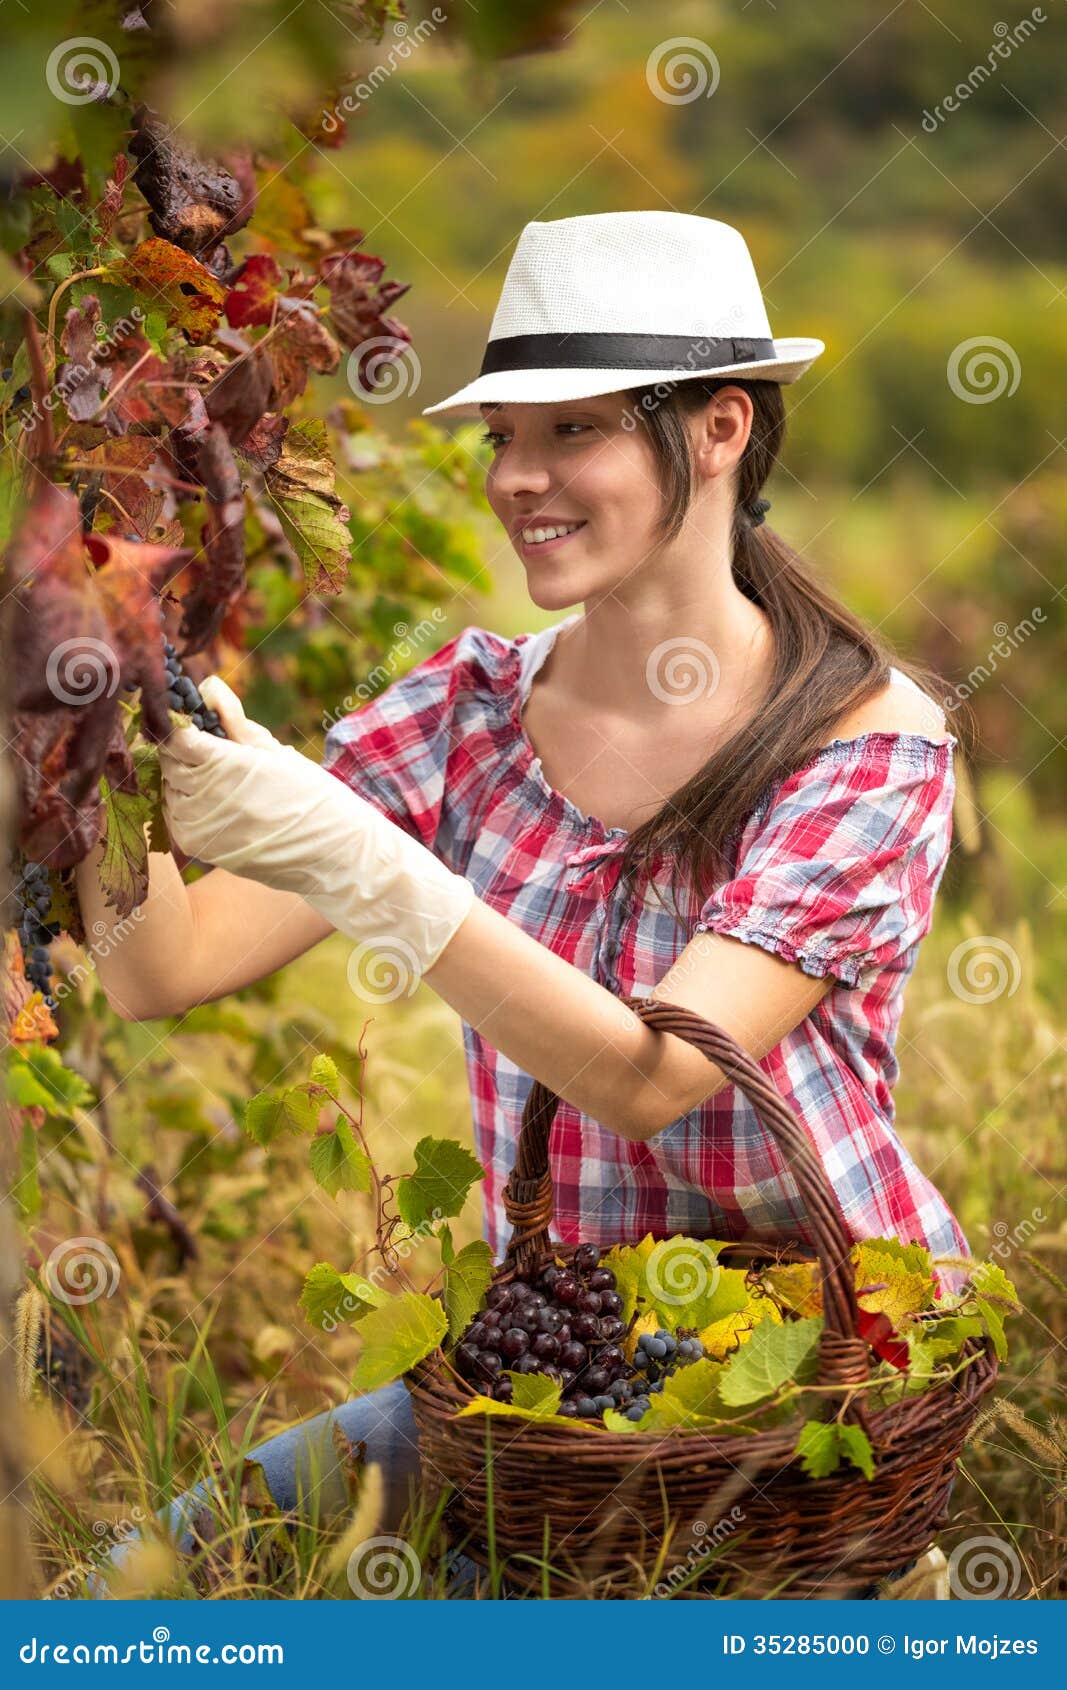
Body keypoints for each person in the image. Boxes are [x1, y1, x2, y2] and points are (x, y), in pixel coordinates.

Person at [80, 211, 965, 1600]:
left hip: (807, 1390)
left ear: (720, 429)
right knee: (141, 1581)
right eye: (504, 436)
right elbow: (162, 967)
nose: (516, 478)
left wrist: (364, 862)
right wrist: (78, 731)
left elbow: (652, 1077)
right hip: (555, 1379)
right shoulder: (470, 710)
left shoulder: (864, 746)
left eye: (574, 432)